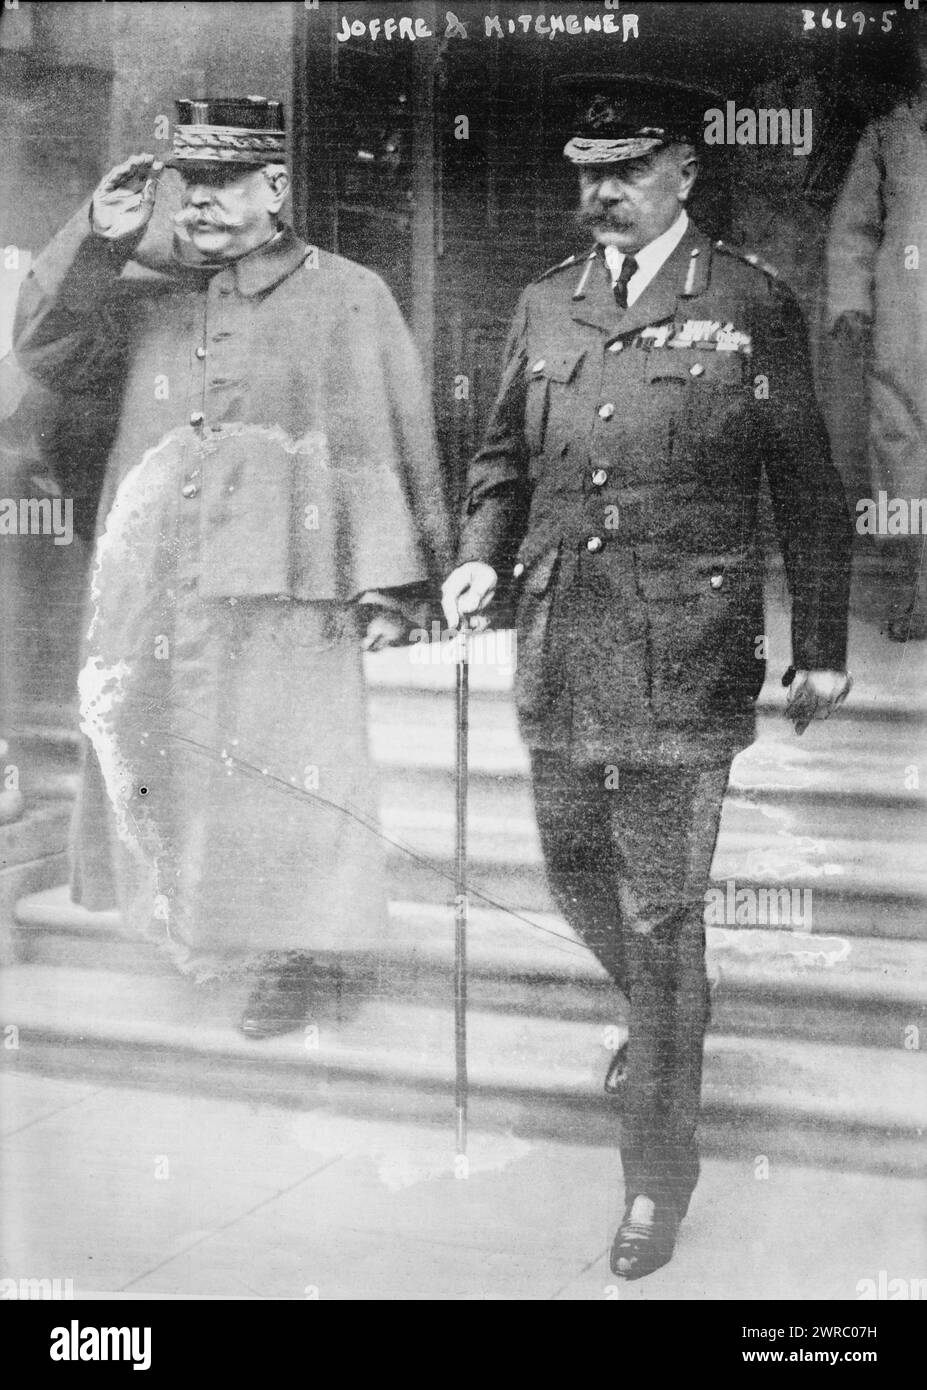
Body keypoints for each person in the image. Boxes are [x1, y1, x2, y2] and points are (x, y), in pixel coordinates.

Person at [441, 75, 853, 1280]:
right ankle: (672, 1014)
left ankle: (653, 1181)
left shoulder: (748, 302)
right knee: (574, 863)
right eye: (585, 172)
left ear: (685, 171)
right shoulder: (546, 302)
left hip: (685, 652)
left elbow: (810, 488)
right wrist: (477, 557)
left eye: (623, 170)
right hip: (564, 640)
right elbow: (502, 457)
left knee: (666, 915)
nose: (600, 193)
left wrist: (821, 648)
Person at [13, 98, 452, 1033]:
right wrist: (95, 237)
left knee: (297, 773)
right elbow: (44, 345)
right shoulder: (140, 289)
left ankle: (305, 958)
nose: (199, 203)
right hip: (161, 580)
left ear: (277, 188)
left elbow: (382, 432)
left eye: (222, 183)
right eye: (188, 184)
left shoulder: (346, 291)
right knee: (170, 764)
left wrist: (390, 582)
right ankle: (200, 932)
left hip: (290, 580)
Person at [825, 26, 927, 641]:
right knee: (905, 458)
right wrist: (850, 302)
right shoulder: (891, 135)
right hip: (906, 329)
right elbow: (854, 229)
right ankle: (923, 590)